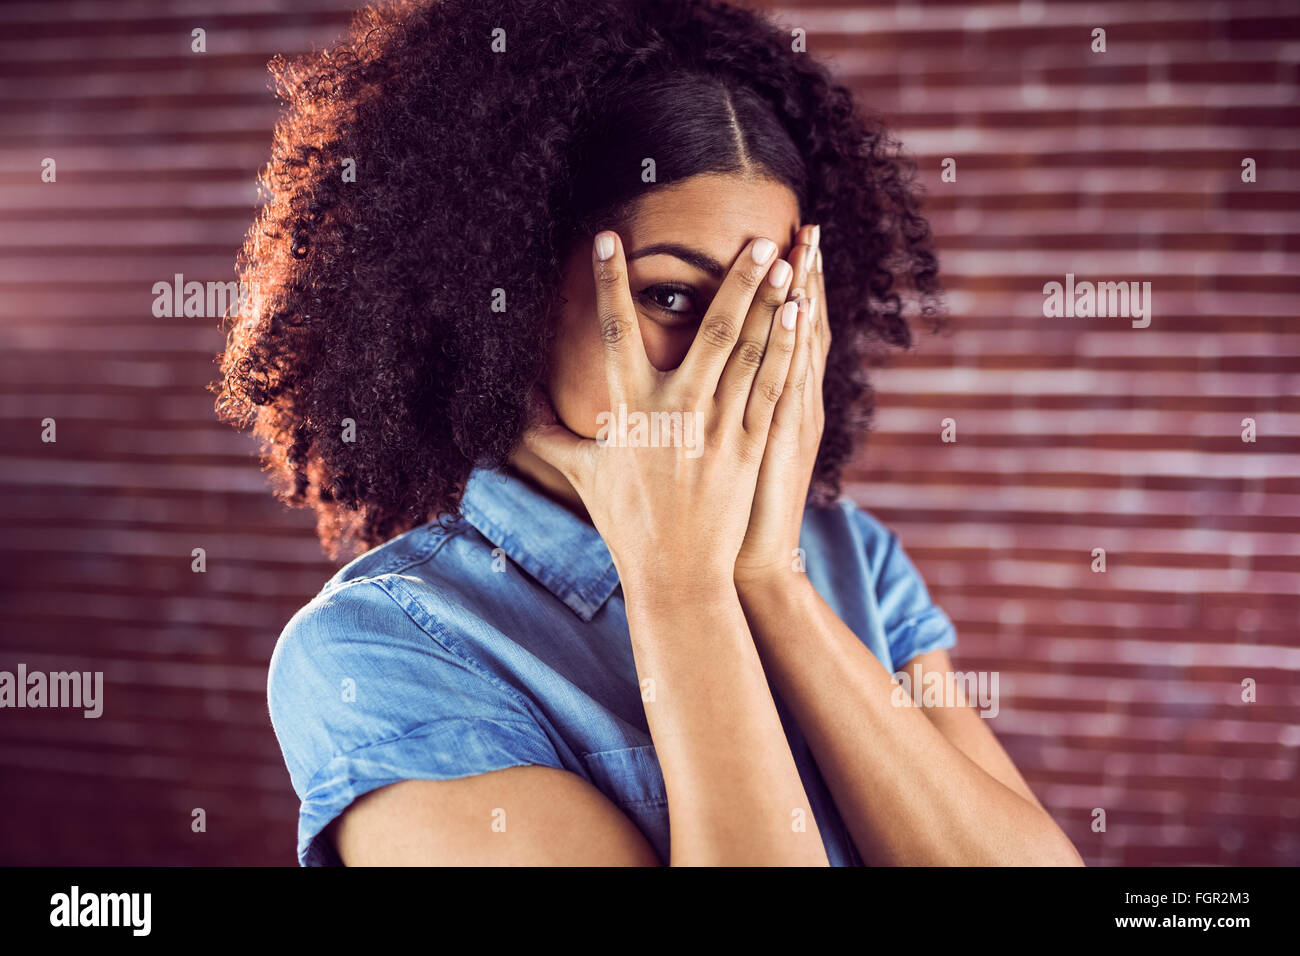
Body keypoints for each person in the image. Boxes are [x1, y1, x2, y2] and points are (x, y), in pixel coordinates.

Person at [216, 0, 1083, 866]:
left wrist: (769, 581)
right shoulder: (381, 648)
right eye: (671, 296)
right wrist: (684, 587)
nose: (732, 353)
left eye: (772, 306)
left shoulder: (850, 559)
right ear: (507, 292)